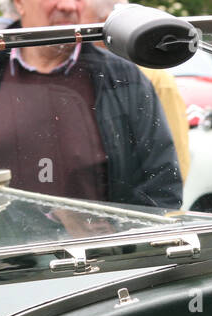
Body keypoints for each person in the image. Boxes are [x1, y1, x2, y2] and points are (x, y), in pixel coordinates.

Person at [0, 0, 182, 220]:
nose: (69, 6)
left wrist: (121, 246)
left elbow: (161, 183)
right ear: (19, 3)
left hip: (94, 272)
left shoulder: (123, 80)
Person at [81, 0, 192, 183]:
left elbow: (174, 165)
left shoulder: (153, 79)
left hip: (134, 206)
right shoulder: (72, 72)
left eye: (85, 27)